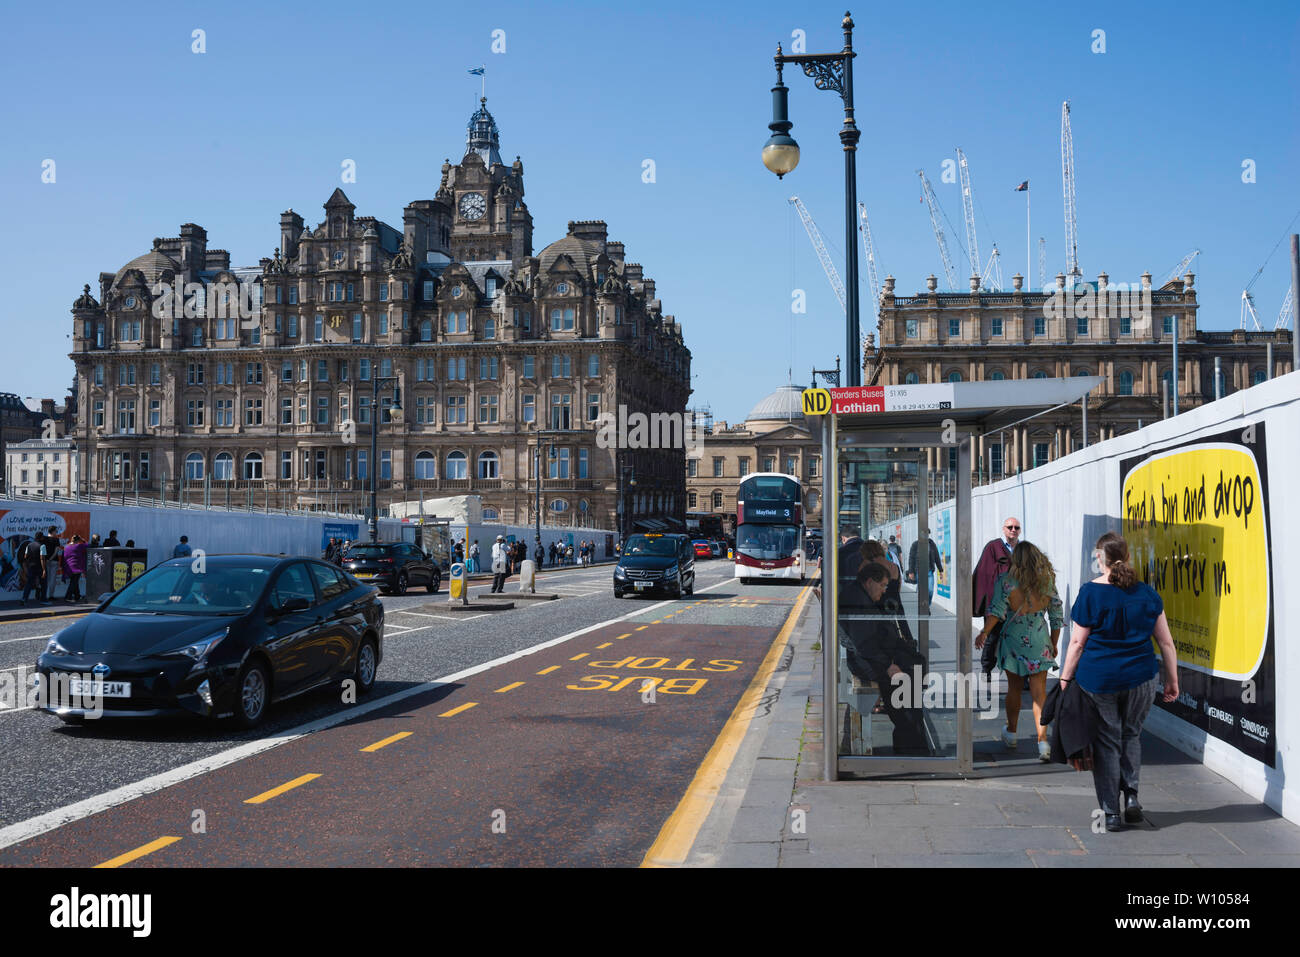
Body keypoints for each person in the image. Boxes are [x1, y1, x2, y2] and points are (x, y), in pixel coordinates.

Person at [1058, 532, 1180, 831]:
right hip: (1141, 677)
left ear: (1100, 558)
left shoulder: (1090, 593)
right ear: (1125, 556)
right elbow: (1165, 643)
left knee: (1107, 742)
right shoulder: (1147, 594)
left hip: (1099, 680)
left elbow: (1076, 643)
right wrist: (1172, 680)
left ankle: (1111, 812)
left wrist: (1064, 676)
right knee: (1132, 735)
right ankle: (1132, 799)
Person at [975, 540, 1063, 761]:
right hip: (1039, 641)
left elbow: (996, 610)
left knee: (1014, 689)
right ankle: (1043, 742)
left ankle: (1012, 733)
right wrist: (1053, 643)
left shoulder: (1006, 581)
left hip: (1013, 640)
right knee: (1039, 692)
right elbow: (1056, 617)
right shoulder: (1046, 581)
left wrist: (984, 632)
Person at [850, 562, 929, 755]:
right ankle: (911, 740)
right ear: (870, 581)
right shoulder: (859, 601)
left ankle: (912, 735)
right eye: (883, 585)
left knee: (915, 665)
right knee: (905, 686)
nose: (885, 589)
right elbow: (864, 644)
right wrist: (889, 664)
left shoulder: (866, 596)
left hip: (877, 655)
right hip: (870, 661)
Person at [973, 517, 1020, 676]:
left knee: (1018, 640)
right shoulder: (993, 547)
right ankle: (986, 668)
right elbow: (984, 573)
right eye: (1010, 527)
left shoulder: (1022, 549)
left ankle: (1022, 675)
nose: (1013, 530)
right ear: (1003, 529)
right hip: (997, 604)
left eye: (1016, 527)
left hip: (1017, 605)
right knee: (992, 637)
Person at [907, 534, 943, 602]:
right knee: (922, 591)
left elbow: (936, 557)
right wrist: (911, 571)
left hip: (929, 571)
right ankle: (923, 607)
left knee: (930, 590)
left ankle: (927, 607)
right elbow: (911, 558)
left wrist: (940, 570)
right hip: (919, 571)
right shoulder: (915, 544)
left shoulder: (931, 544)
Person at [20, 534, 46, 606]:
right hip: (39, 567)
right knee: (43, 583)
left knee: (29, 583)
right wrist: (44, 569)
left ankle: (24, 598)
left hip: (31, 566)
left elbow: (25, 556)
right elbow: (42, 558)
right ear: (41, 538)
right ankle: (43, 600)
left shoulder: (29, 545)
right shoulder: (42, 546)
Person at [62, 534, 87, 603]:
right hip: (76, 567)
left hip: (68, 567)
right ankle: (67, 596)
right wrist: (83, 540)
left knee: (74, 582)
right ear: (78, 540)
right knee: (73, 583)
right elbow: (87, 545)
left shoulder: (66, 547)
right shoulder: (79, 546)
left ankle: (77, 596)